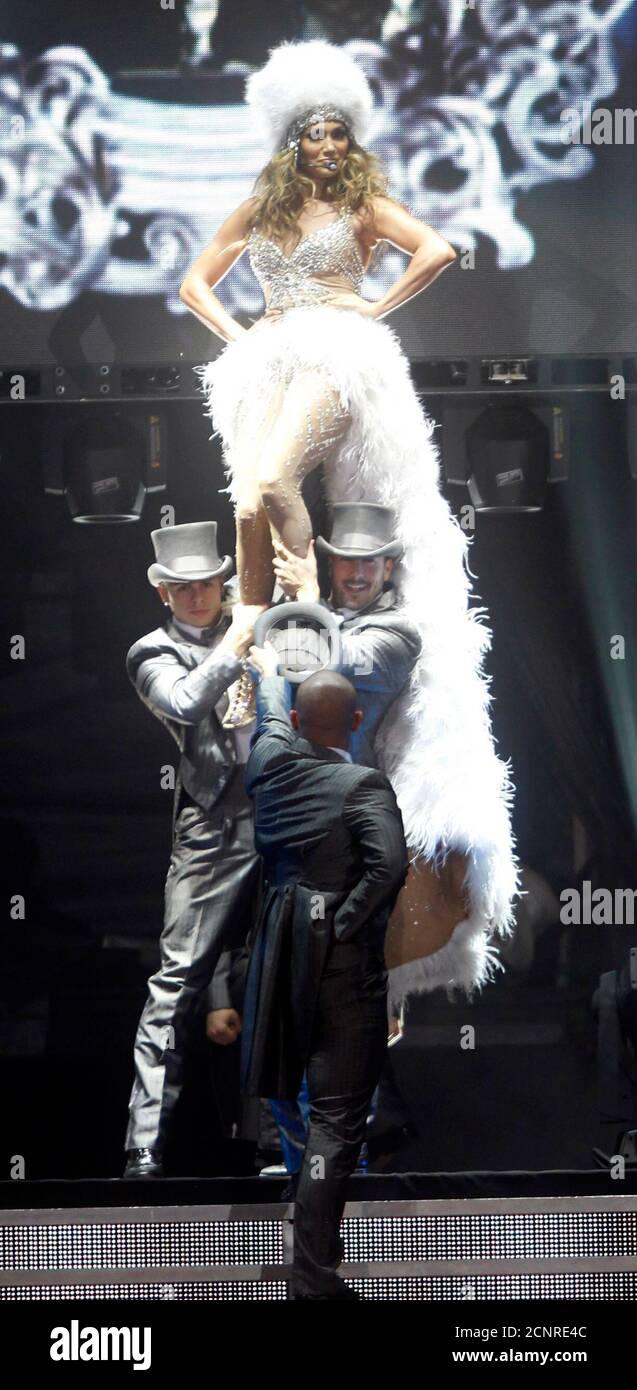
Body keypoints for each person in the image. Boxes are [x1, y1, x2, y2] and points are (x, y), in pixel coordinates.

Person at [180, 39, 518, 999]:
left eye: (337, 132)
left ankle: (285, 602)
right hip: (269, 356)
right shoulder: (265, 208)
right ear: (291, 142)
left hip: (338, 354)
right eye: (312, 133)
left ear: (349, 142)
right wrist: (242, 335)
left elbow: (439, 249)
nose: (325, 145)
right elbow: (197, 281)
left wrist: (368, 308)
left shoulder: (365, 206)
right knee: (252, 484)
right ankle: (267, 617)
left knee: (260, 486)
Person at [243, 647, 408, 1298]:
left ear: (294, 719)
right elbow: (388, 867)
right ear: (358, 718)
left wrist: (265, 674)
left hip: (278, 961)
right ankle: (313, 1275)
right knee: (337, 1120)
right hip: (338, 969)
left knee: (296, 1106)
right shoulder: (361, 785)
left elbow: (271, 728)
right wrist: (346, 924)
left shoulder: (268, 770)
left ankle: (315, 1254)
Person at [123, 522, 262, 1178]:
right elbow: (184, 701)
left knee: (292, 978)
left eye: (207, 582)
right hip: (210, 829)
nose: (198, 596)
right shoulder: (149, 651)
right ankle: (143, 1151)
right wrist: (241, 644)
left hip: (282, 817)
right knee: (174, 987)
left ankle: (280, 1144)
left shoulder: (253, 620)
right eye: (184, 587)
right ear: (164, 594)